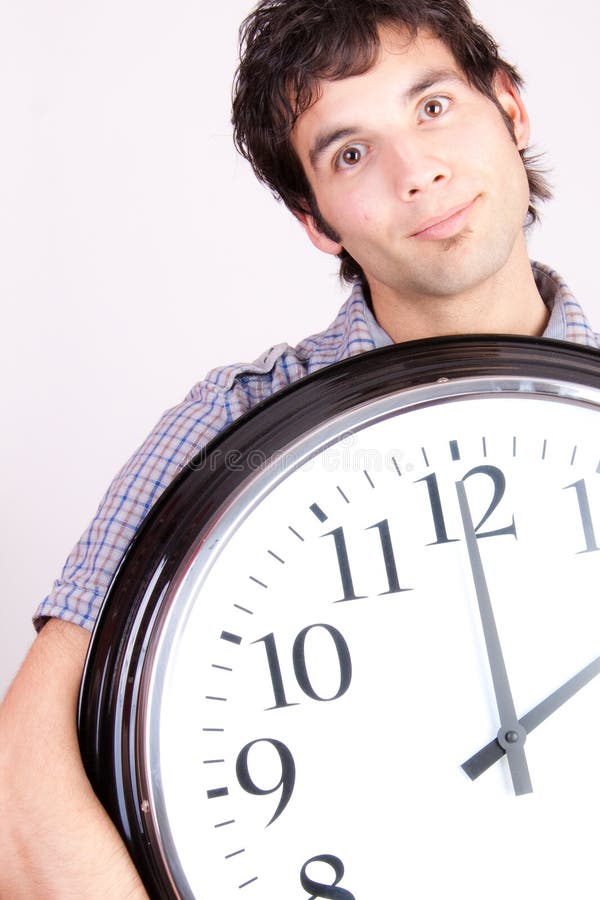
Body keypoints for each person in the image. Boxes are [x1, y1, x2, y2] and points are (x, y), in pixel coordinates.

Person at [1, 0, 598, 895]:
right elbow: (19, 773)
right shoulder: (230, 430)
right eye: (350, 152)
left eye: (432, 106)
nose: (417, 173)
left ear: (509, 109)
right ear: (315, 218)